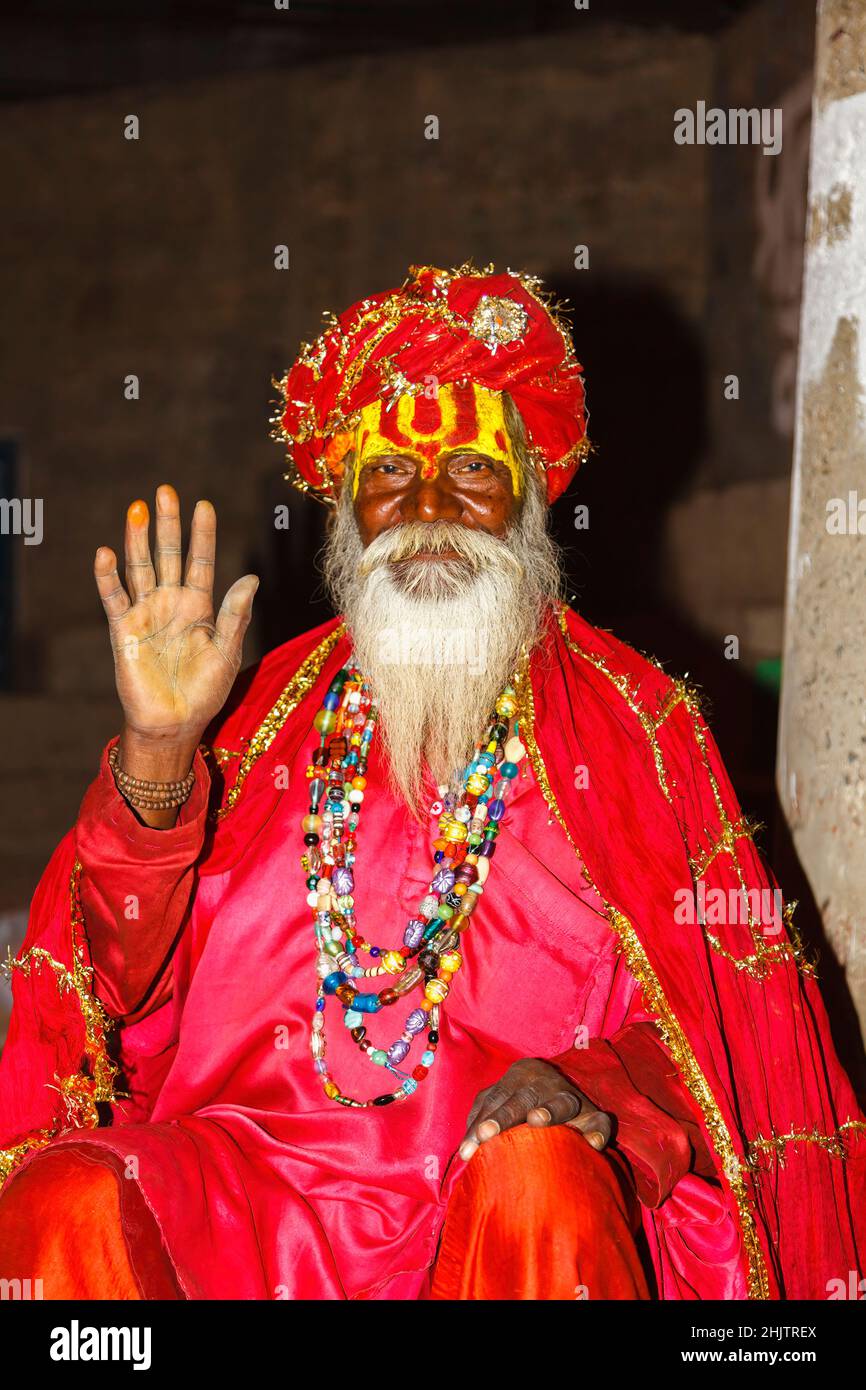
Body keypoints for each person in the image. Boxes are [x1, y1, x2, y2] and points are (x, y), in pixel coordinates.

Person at [0, 263, 862, 1301]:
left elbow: (723, 1033)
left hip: (501, 1205)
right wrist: (156, 749)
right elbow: (110, 995)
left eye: (467, 471)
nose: (426, 511)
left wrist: (585, 1087)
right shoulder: (256, 710)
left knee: (540, 1170)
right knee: (68, 1199)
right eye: (389, 478)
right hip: (250, 1204)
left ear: (528, 501)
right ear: (349, 517)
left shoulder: (634, 726)